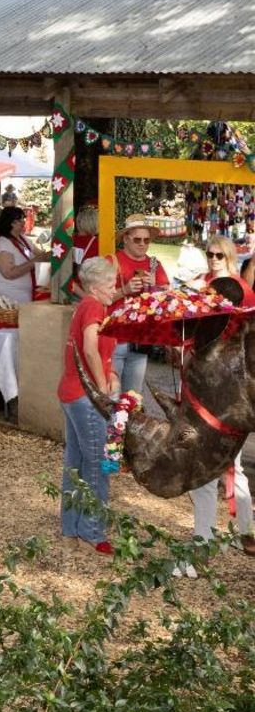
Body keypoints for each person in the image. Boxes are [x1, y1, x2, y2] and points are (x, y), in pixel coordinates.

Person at [175, 275, 255, 573]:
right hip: (228, 421)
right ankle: (246, 532)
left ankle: (200, 552)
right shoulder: (236, 333)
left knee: (205, 484)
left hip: (214, 422)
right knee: (232, 475)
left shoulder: (220, 335)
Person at [57, 255, 119, 554]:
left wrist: (110, 372)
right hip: (86, 396)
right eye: (109, 283)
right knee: (98, 465)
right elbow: (91, 350)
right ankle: (93, 532)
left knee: (76, 463)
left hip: (71, 391)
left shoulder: (85, 306)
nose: (114, 288)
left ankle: (71, 526)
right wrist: (103, 386)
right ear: (94, 285)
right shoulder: (94, 306)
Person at [108, 213, 169, 397]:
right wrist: (124, 290)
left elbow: (167, 298)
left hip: (140, 340)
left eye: (146, 240)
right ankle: (111, 427)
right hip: (114, 339)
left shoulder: (153, 264)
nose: (142, 244)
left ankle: (127, 425)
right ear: (125, 239)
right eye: (137, 240)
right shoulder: (111, 261)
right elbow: (97, 297)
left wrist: (155, 287)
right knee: (111, 396)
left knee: (133, 397)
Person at [0, 206, 50, 304]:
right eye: (19, 220)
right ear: (10, 223)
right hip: (7, 299)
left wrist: (54, 253)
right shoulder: (3, 243)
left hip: (24, 297)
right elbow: (9, 273)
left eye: (23, 218)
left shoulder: (23, 239)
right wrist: (34, 262)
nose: (23, 222)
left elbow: (40, 255)